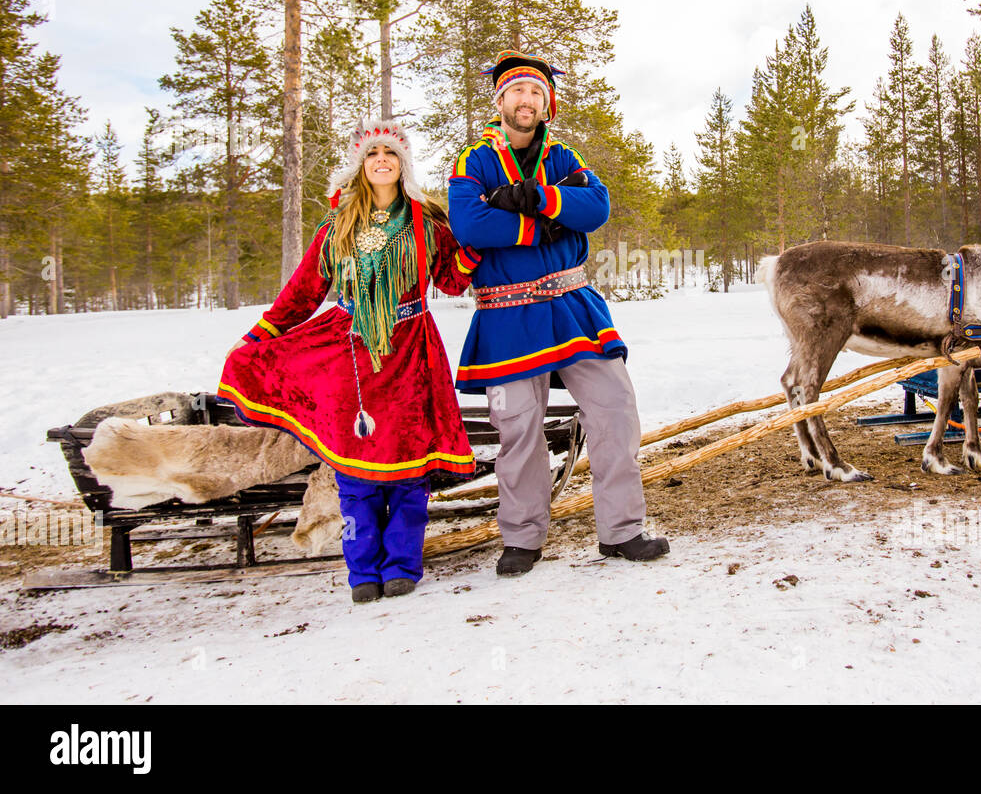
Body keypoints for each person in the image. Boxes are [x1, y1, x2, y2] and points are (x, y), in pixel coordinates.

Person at [219, 118, 480, 603]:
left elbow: (451, 281)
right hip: (349, 352)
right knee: (355, 468)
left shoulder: (428, 222)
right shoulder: (336, 228)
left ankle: (402, 564)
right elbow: (302, 294)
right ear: (360, 167)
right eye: (373, 154)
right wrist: (258, 336)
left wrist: (475, 241)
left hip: (411, 350)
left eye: (391, 154)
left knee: (409, 465)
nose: (382, 160)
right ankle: (362, 571)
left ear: (403, 166)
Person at [447, 50, 669, 576]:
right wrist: (542, 227)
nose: (527, 100)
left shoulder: (565, 158)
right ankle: (522, 538)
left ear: (548, 104)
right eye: (517, 92)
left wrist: (540, 201)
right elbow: (470, 225)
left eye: (536, 93)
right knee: (519, 428)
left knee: (614, 409)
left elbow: (596, 209)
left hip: (573, 305)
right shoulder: (472, 161)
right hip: (506, 315)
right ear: (500, 100)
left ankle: (622, 531)